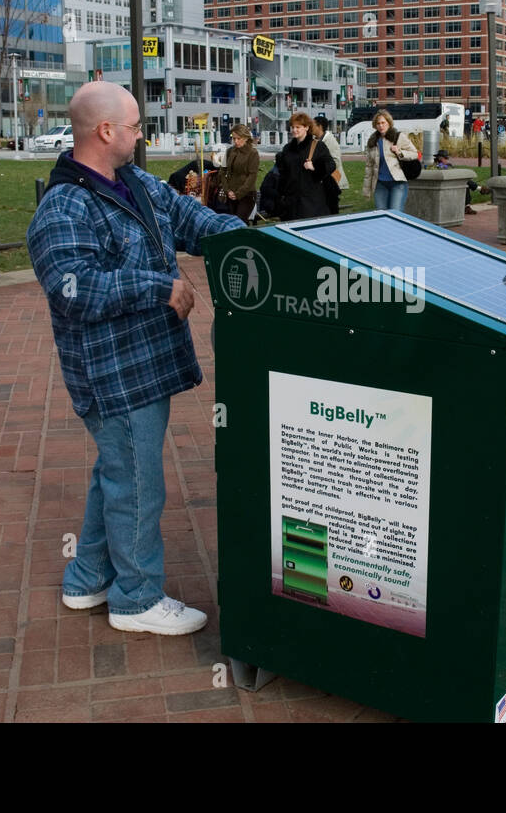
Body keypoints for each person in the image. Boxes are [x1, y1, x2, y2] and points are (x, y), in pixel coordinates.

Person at [25, 81, 242, 635]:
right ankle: (136, 599)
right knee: (138, 483)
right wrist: (156, 286)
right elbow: (74, 291)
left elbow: (193, 222)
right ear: (105, 131)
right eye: (135, 125)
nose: (141, 133)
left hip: (146, 364)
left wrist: (250, 241)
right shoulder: (63, 207)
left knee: (117, 472)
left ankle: (88, 577)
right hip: (111, 374)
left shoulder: (135, 183)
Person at [275, 111, 336, 221]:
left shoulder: (318, 146)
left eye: (298, 127)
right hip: (291, 201)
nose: (294, 130)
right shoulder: (287, 149)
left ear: (306, 127)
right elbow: (283, 174)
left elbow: (331, 165)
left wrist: (314, 167)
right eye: (292, 127)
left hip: (311, 200)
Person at [362, 109, 419, 212]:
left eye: (383, 123)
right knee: (381, 214)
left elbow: (415, 153)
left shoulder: (398, 137)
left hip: (397, 183)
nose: (381, 126)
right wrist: (367, 189)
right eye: (378, 123)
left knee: (395, 214)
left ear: (389, 123)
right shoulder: (372, 141)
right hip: (380, 184)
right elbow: (369, 167)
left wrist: (399, 152)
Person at [215, 123, 259, 222]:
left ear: (246, 138)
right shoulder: (230, 151)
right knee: (232, 223)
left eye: (238, 138)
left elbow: (252, 176)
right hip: (231, 193)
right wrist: (227, 190)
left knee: (239, 222)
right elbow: (222, 171)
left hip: (247, 194)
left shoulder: (253, 153)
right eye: (234, 138)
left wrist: (239, 193)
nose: (236, 141)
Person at [312, 114, 344, 215]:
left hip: (330, 181)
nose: (310, 127)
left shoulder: (330, 140)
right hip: (320, 180)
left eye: (313, 125)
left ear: (320, 126)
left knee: (331, 207)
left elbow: (335, 161)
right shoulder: (315, 140)